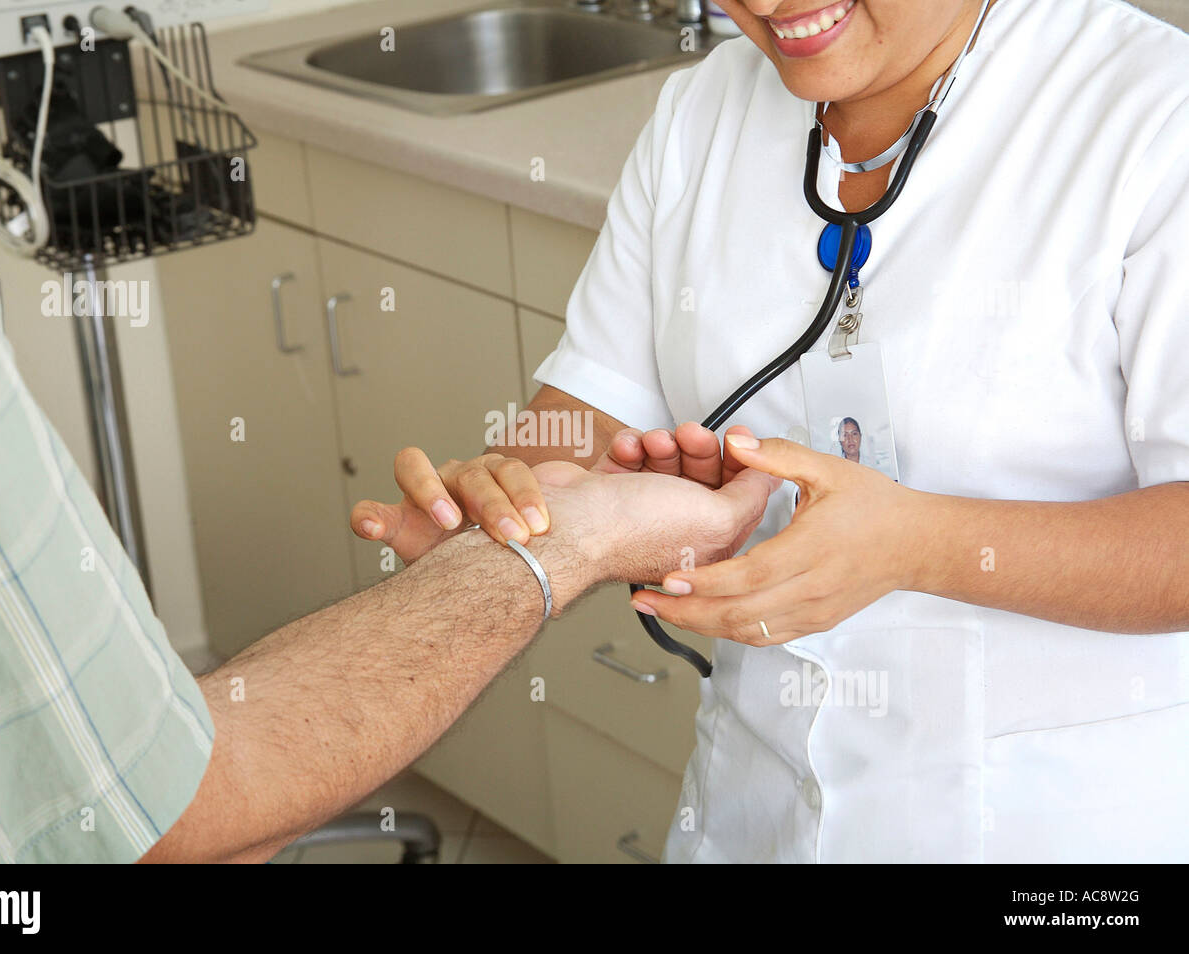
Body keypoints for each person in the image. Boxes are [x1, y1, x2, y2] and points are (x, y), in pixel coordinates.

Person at [353, 0, 1189, 862]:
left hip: (1056, 832)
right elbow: (579, 422)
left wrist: (919, 545)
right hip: (754, 811)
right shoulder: (701, 113)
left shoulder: (1155, 116)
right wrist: (510, 510)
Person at [0, 140, 780, 862]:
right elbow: (153, 815)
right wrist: (540, 526)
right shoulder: (701, 117)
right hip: (750, 790)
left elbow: (152, 813)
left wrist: (551, 534)